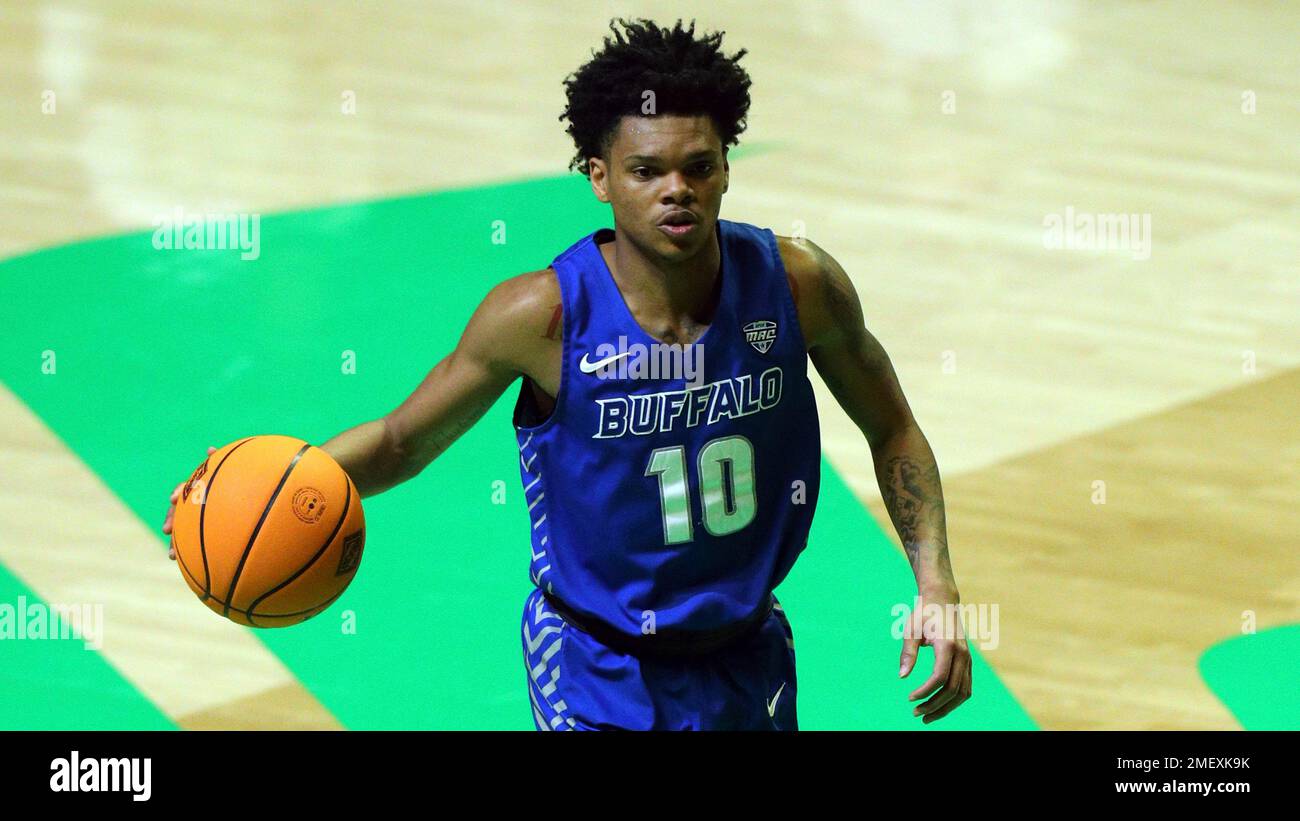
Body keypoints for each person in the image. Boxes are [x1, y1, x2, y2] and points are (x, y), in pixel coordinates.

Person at [163, 18, 970, 730]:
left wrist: (933, 582)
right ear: (598, 176)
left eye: (698, 165)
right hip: (596, 666)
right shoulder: (540, 317)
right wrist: (248, 493)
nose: (676, 191)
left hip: (746, 650)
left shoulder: (798, 285)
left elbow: (890, 424)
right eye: (647, 171)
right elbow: (402, 440)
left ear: (727, 167)